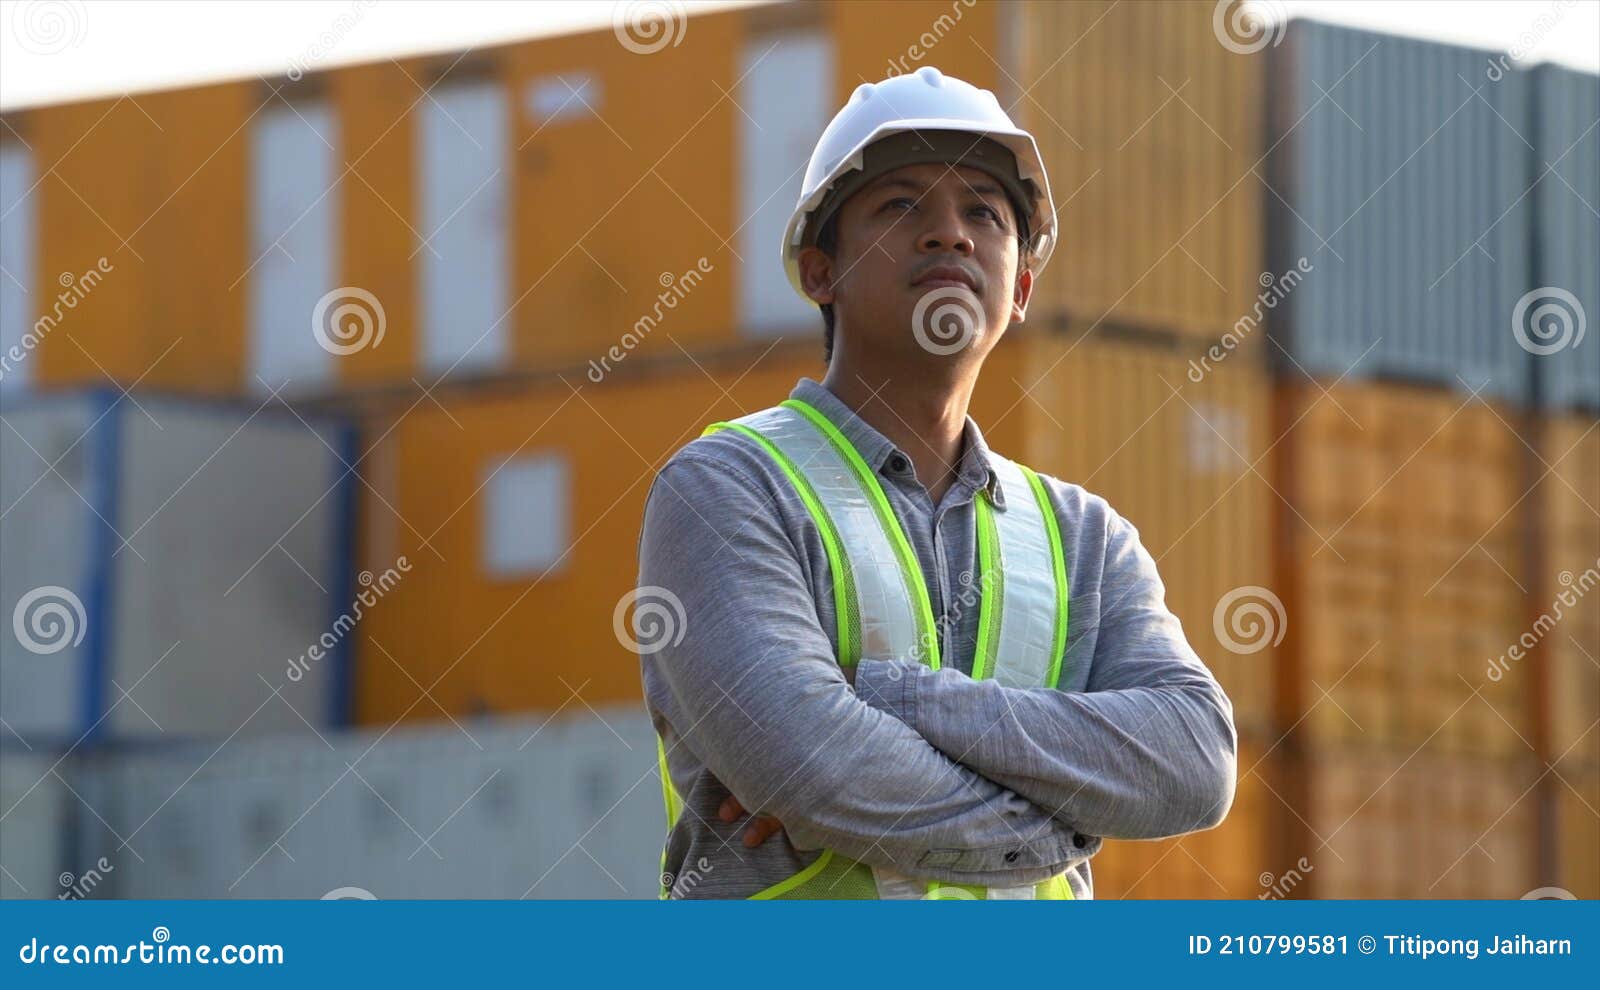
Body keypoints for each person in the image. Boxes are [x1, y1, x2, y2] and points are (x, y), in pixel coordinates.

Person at [636, 67, 1236, 899]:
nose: (949, 234)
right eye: (901, 206)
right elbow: (809, 763)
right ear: (820, 273)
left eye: (984, 213)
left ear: (1020, 285)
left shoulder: (1085, 539)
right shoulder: (729, 489)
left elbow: (1194, 760)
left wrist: (893, 697)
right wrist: (1059, 824)